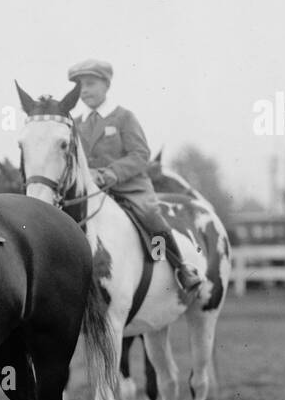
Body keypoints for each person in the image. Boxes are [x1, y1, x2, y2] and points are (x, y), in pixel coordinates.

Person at [68, 58, 204, 302]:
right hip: (92, 193)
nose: (84, 90)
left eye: (90, 83)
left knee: (151, 217)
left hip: (129, 188)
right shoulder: (75, 124)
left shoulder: (123, 118)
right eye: (80, 86)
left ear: (106, 86)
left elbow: (141, 154)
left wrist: (110, 173)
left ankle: (178, 267)